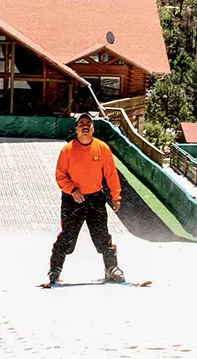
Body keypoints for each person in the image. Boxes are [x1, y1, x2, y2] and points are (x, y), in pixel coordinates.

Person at [47, 113, 125, 284]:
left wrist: (115, 196)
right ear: (76, 129)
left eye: (88, 123)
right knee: (67, 236)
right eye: (81, 123)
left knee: (102, 235)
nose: (85, 126)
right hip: (72, 199)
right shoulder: (67, 150)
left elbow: (111, 174)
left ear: (93, 128)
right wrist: (72, 190)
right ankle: (55, 269)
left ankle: (111, 268)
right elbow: (60, 176)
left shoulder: (102, 148)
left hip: (95, 198)